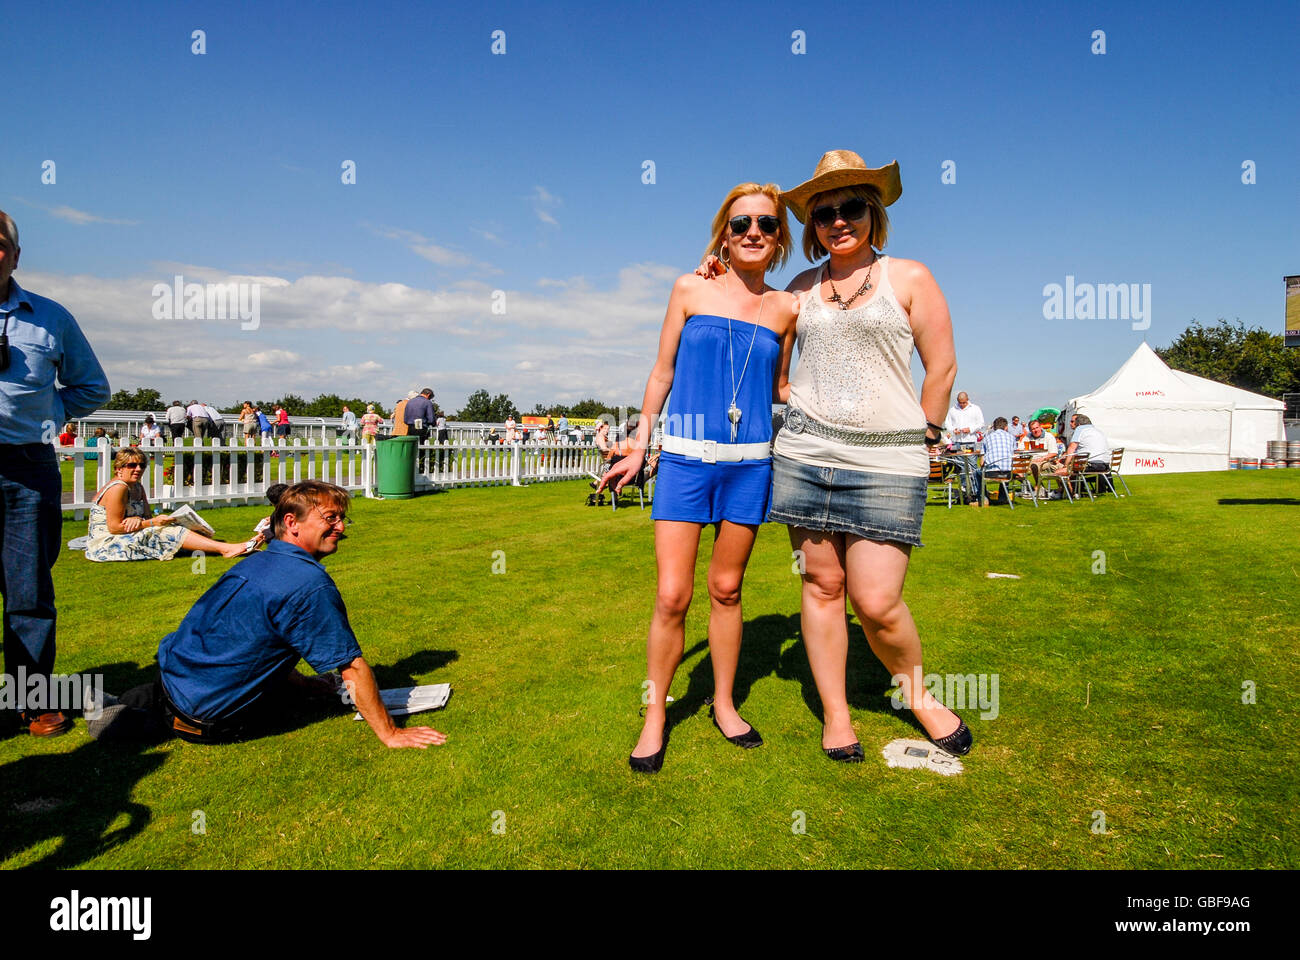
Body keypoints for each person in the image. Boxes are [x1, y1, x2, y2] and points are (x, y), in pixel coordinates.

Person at [730, 151, 972, 760]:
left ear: (874, 212)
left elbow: (940, 366)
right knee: (822, 587)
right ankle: (837, 717)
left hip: (890, 464)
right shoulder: (799, 292)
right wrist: (718, 268)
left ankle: (916, 695)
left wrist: (932, 431)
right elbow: (767, 353)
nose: (839, 220)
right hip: (806, 458)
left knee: (877, 601)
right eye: (824, 212)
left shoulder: (911, 278)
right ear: (812, 224)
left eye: (851, 208)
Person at [599, 182, 799, 773]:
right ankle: (656, 714)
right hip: (685, 460)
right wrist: (640, 444)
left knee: (728, 590)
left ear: (780, 235)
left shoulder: (788, 308)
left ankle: (725, 703)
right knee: (671, 595)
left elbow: (782, 389)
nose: (753, 232)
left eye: (766, 223)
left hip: (751, 466)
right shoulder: (689, 287)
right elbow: (661, 373)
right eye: (741, 225)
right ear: (724, 234)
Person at [94, 481, 449, 749]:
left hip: (175, 678)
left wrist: (308, 683)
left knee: (153, 702)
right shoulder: (309, 585)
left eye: (343, 519)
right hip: (209, 718)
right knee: (280, 705)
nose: (340, 527)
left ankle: (122, 708)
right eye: (330, 518)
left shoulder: (256, 562)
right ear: (291, 522)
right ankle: (135, 723)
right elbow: (351, 666)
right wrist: (390, 733)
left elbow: (256, 645)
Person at [1, 208, 111, 736]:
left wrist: (48, 415)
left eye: (0, 243)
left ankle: (31, 698)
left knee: (28, 591)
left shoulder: (50, 317)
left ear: (15, 255)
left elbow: (92, 388)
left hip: (27, 465)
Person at [84, 449, 258, 562]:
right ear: (119, 468)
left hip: (127, 533)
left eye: (141, 465)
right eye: (132, 465)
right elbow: (114, 528)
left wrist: (143, 521)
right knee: (168, 531)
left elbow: (146, 518)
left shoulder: (137, 486)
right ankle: (226, 549)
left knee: (172, 526)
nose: (138, 469)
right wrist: (148, 523)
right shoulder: (118, 488)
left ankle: (219, 546)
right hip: (107, 543)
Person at [978, 417, 1016, 505]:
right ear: (1006, 427)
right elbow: (1014, 454)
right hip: (1008, 473)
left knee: (977, 473)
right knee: (1005, 468)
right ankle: (1002, 497)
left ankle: (983, 498)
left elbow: (981, 462)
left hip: (991, 473)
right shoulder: (1011, 437)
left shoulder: (987, 438)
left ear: (994, 427)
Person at [404, 387, 435, 471]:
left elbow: (405, 419)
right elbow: (431, 419)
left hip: (410, 428)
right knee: (421, 451)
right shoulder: (427, 403)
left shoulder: (409, 402)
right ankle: (421, 469)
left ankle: (411, 468)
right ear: (428, 395)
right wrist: (433, 424)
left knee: (411, 450)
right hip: (421, 428)